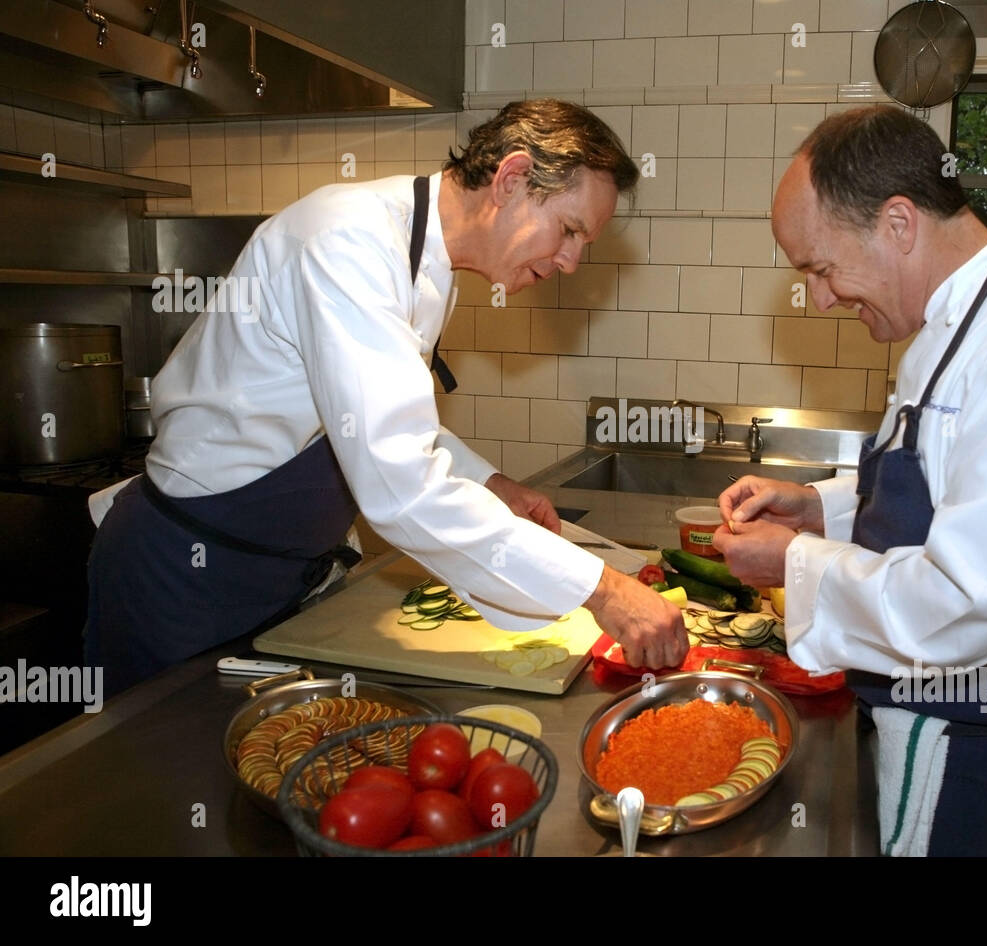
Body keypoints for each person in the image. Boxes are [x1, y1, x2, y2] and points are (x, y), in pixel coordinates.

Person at [85, 99, 687, 696]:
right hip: (186, 576)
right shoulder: (347, 242)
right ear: (512, 179)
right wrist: (604, 590)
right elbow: (399, 484)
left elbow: (366, 416)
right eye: (570, 230)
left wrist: (488, 484)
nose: (571, 262)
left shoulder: (427, 262)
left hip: (277, 575)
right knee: (155, 778)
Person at [713, 106, 987, 856]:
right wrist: (821, 510)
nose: (820, 298)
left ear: (898, 223)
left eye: (820, 268)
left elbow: (977, 600)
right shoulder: (948, 329)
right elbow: (955, 491)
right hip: (940, 733)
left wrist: (793, 563)